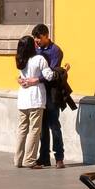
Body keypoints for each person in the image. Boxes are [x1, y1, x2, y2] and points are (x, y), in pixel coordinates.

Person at [32, 23, 72, 169]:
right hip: (39, 92)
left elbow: (52, 73)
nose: (36, 41)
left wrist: (37, 79)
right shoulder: (35, 49)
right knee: (42, 127)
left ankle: (59, 157)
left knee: (54, 125)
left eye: (39, 38)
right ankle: (43, 157)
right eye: (35, 39)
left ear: (46, 36)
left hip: (52, 92)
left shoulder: (56, 51)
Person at [14, 34, 54, 169]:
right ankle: (29, 160)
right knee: (34, 130)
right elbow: (49, 76)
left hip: (23, 98)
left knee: (22, 129)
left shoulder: (20, 60)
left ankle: (18, 159)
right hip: (35, 98)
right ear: (33, 46)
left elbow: (21, 76)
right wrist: (61, 71)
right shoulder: (39, 59)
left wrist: (21, 79)